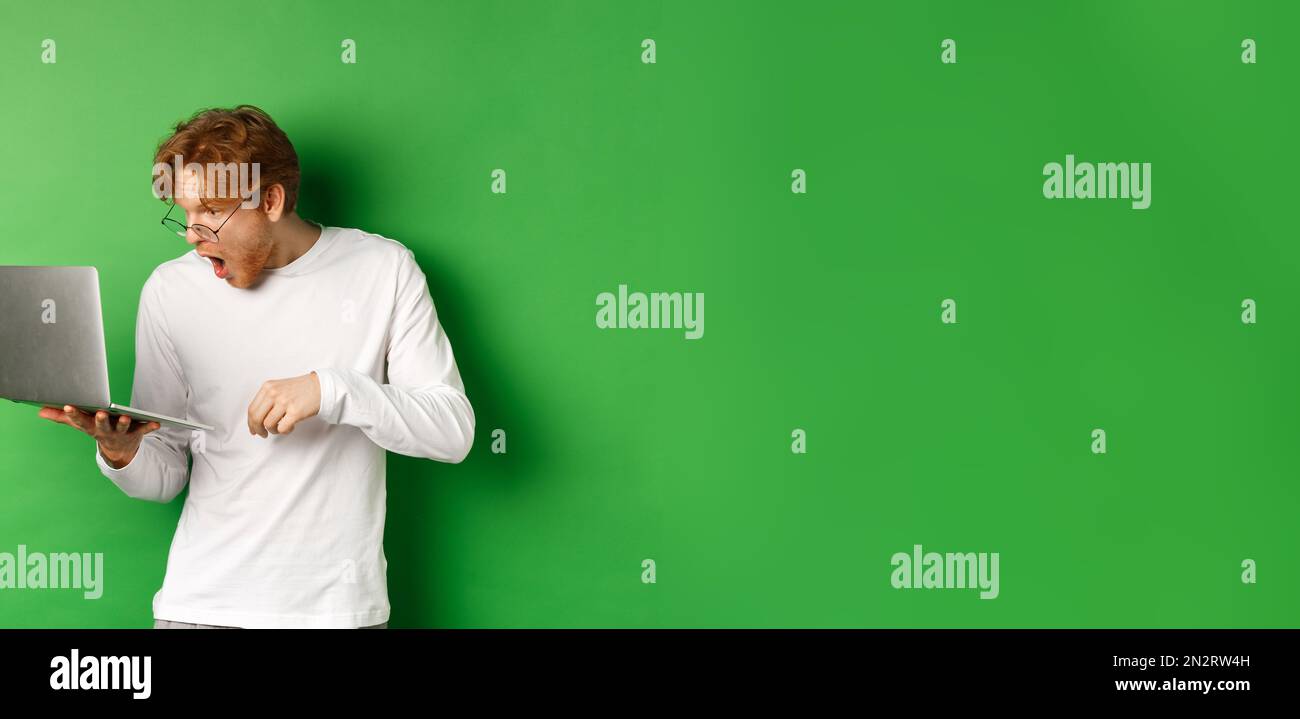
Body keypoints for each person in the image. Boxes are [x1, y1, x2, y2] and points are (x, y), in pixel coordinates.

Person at [39, 105, 475, 628]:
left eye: (210, 214)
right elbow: (165, 474)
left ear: (270, 200)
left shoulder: (383, 269)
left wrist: (332, 390)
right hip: (199, 610)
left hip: (336, 614)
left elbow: (452, 432)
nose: (191, 235)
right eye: (184, 214)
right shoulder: (172, 290)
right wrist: (121, 450)